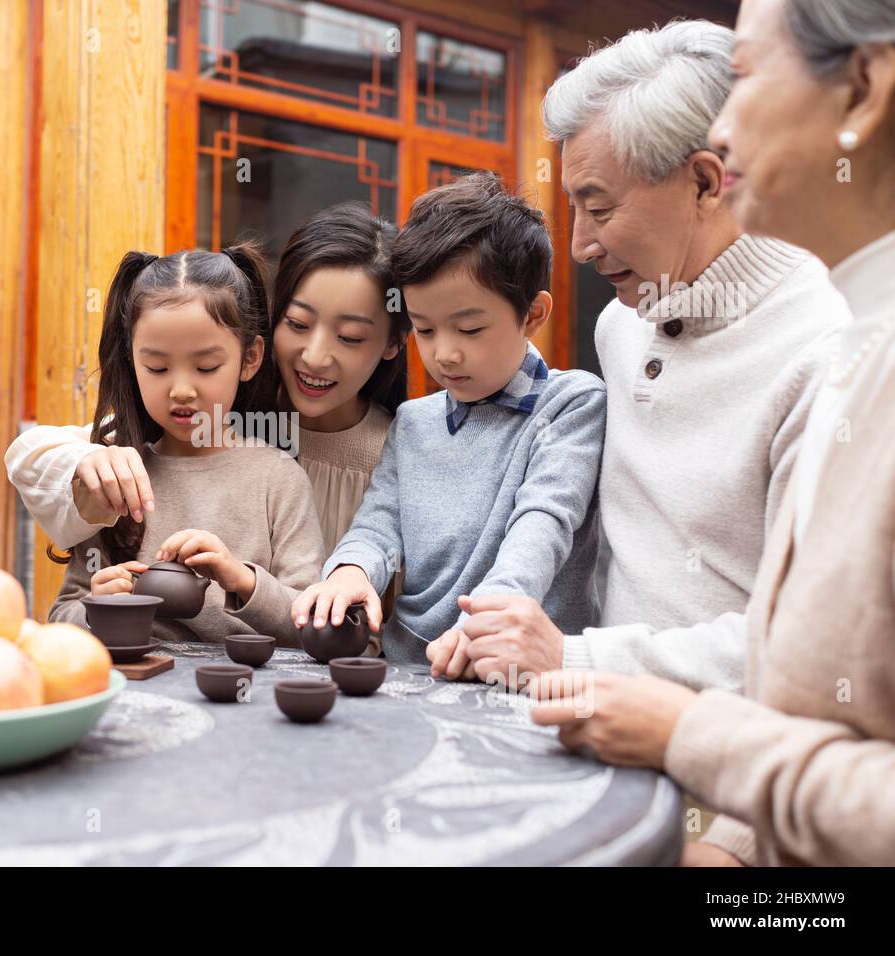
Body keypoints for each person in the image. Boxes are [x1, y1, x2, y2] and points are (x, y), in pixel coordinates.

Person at [533, 0, 895, 867]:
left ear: (862, 91)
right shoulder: (627, 328)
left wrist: (703, 769)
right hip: (639, 757)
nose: (724, 133)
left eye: (745, 80)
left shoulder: (836, 347)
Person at [440, 19, 849, 690]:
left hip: (724, 765)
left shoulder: (827, 350)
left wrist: (575, 659)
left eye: (598, 209)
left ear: (706, 183)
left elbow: (812, 641)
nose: (580, 246)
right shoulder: (620, 328)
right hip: (595, 729)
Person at [292, 173, 606, 664]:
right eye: (424, 329)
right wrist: (351, 571)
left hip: (516, 668)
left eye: (470, 328)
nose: (444, 355)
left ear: (533, 315)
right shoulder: (415, 421)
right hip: (408, 669)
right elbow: (379, 524)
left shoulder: (572, 404)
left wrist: (491, 618)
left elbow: (543, 522)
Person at [46, 245, 324, 645]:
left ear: (250, 358)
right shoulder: (118, 472)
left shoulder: (277, 478)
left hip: (248, 692)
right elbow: (60, 617)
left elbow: (310, 623)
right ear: (131, 361)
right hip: (140, 690)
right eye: (157, 367)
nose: (180, 390)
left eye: (206, 367)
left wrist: (240, 579)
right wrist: (95, 607)